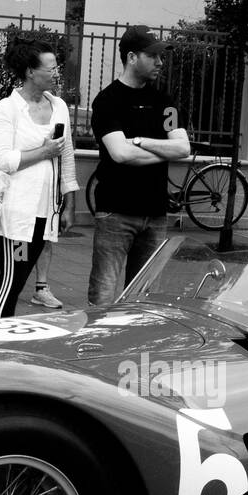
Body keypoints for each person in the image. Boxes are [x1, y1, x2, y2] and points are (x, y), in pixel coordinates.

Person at [86, 24, 190, 305]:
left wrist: (141, 141)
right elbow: (120, 154)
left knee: (142, 297)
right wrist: (163, 150)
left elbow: (182, 147)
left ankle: (135, 351)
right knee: (104, 296)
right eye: (152, 55)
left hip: (155, 213)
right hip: (116, 213)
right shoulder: (108, 101)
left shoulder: (164, 102)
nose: (160, 62)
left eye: (161, 56)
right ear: (132, 57)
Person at [0, 39, 77, 318]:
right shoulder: (6, 110)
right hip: (16, 215)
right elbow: (0, 160)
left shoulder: (58, 105)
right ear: (29, 72)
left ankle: (2, 333)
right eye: (50, 68)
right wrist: (44, 151)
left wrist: (69, 204)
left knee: (21, 278)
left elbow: (67, 156)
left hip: (45, 212)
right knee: (12, 281)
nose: (56, 72)